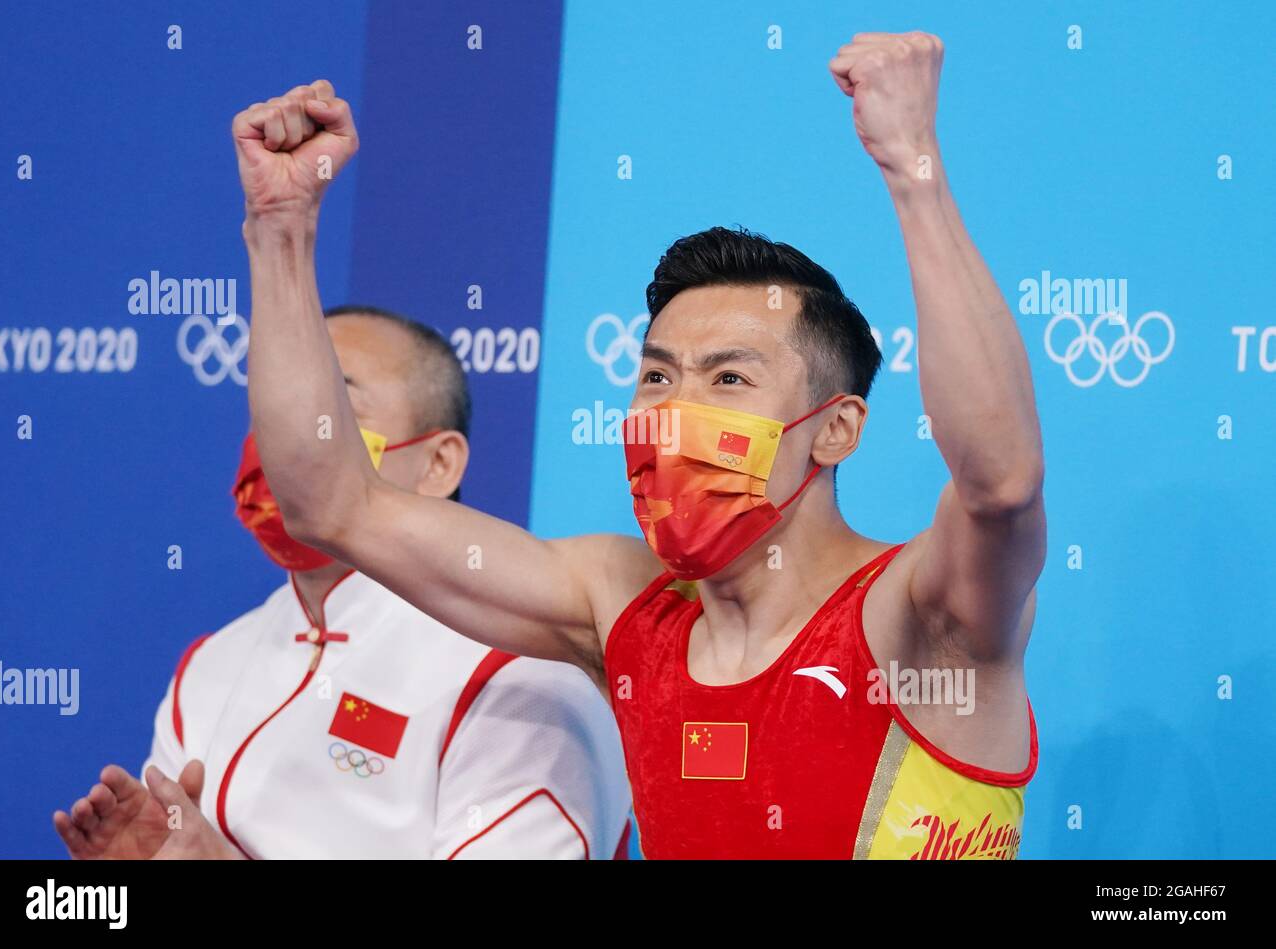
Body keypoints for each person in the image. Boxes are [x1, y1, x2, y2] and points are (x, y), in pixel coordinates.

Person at [240, 31, 1045, 859]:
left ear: (835, 429)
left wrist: (913, 166)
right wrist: (280, 229)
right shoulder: (621, 606)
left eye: (728, 380)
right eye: (658, 377)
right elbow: (328, 501)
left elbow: (1003, 480)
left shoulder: (925, 613)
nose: (675, 412)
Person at [52, 307, 633, 859]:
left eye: (329, 408)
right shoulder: (208, 668)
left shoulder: (523, 677)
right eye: (275, 408)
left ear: (438, 465)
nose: (288, 441)